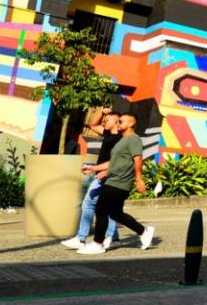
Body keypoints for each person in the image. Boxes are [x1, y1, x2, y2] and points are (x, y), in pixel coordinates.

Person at [78, 115, 155, 254]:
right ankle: (144, 232)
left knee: (101, 210)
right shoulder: (123, 141)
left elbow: (138, 159)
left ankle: (98, 243)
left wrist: (139, 180)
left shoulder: (133, 139)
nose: (118, 123)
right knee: (116, 213)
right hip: (113, 180)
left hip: (119, 181)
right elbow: (112, 163)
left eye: (121, 121)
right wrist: (93, 168)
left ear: (131, 123)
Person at [62, 109, 122, 250]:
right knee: (104, 207)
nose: (104, 122)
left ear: (115, 121)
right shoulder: (107, 134)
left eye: (107, 120)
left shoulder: (120, 139)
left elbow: (119, 160)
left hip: (109, 175)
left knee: (89, 204)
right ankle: (112, 238)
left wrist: (105, 171)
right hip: (101, 175)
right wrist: (101, 113)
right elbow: (92, 124)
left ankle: (81, 238)